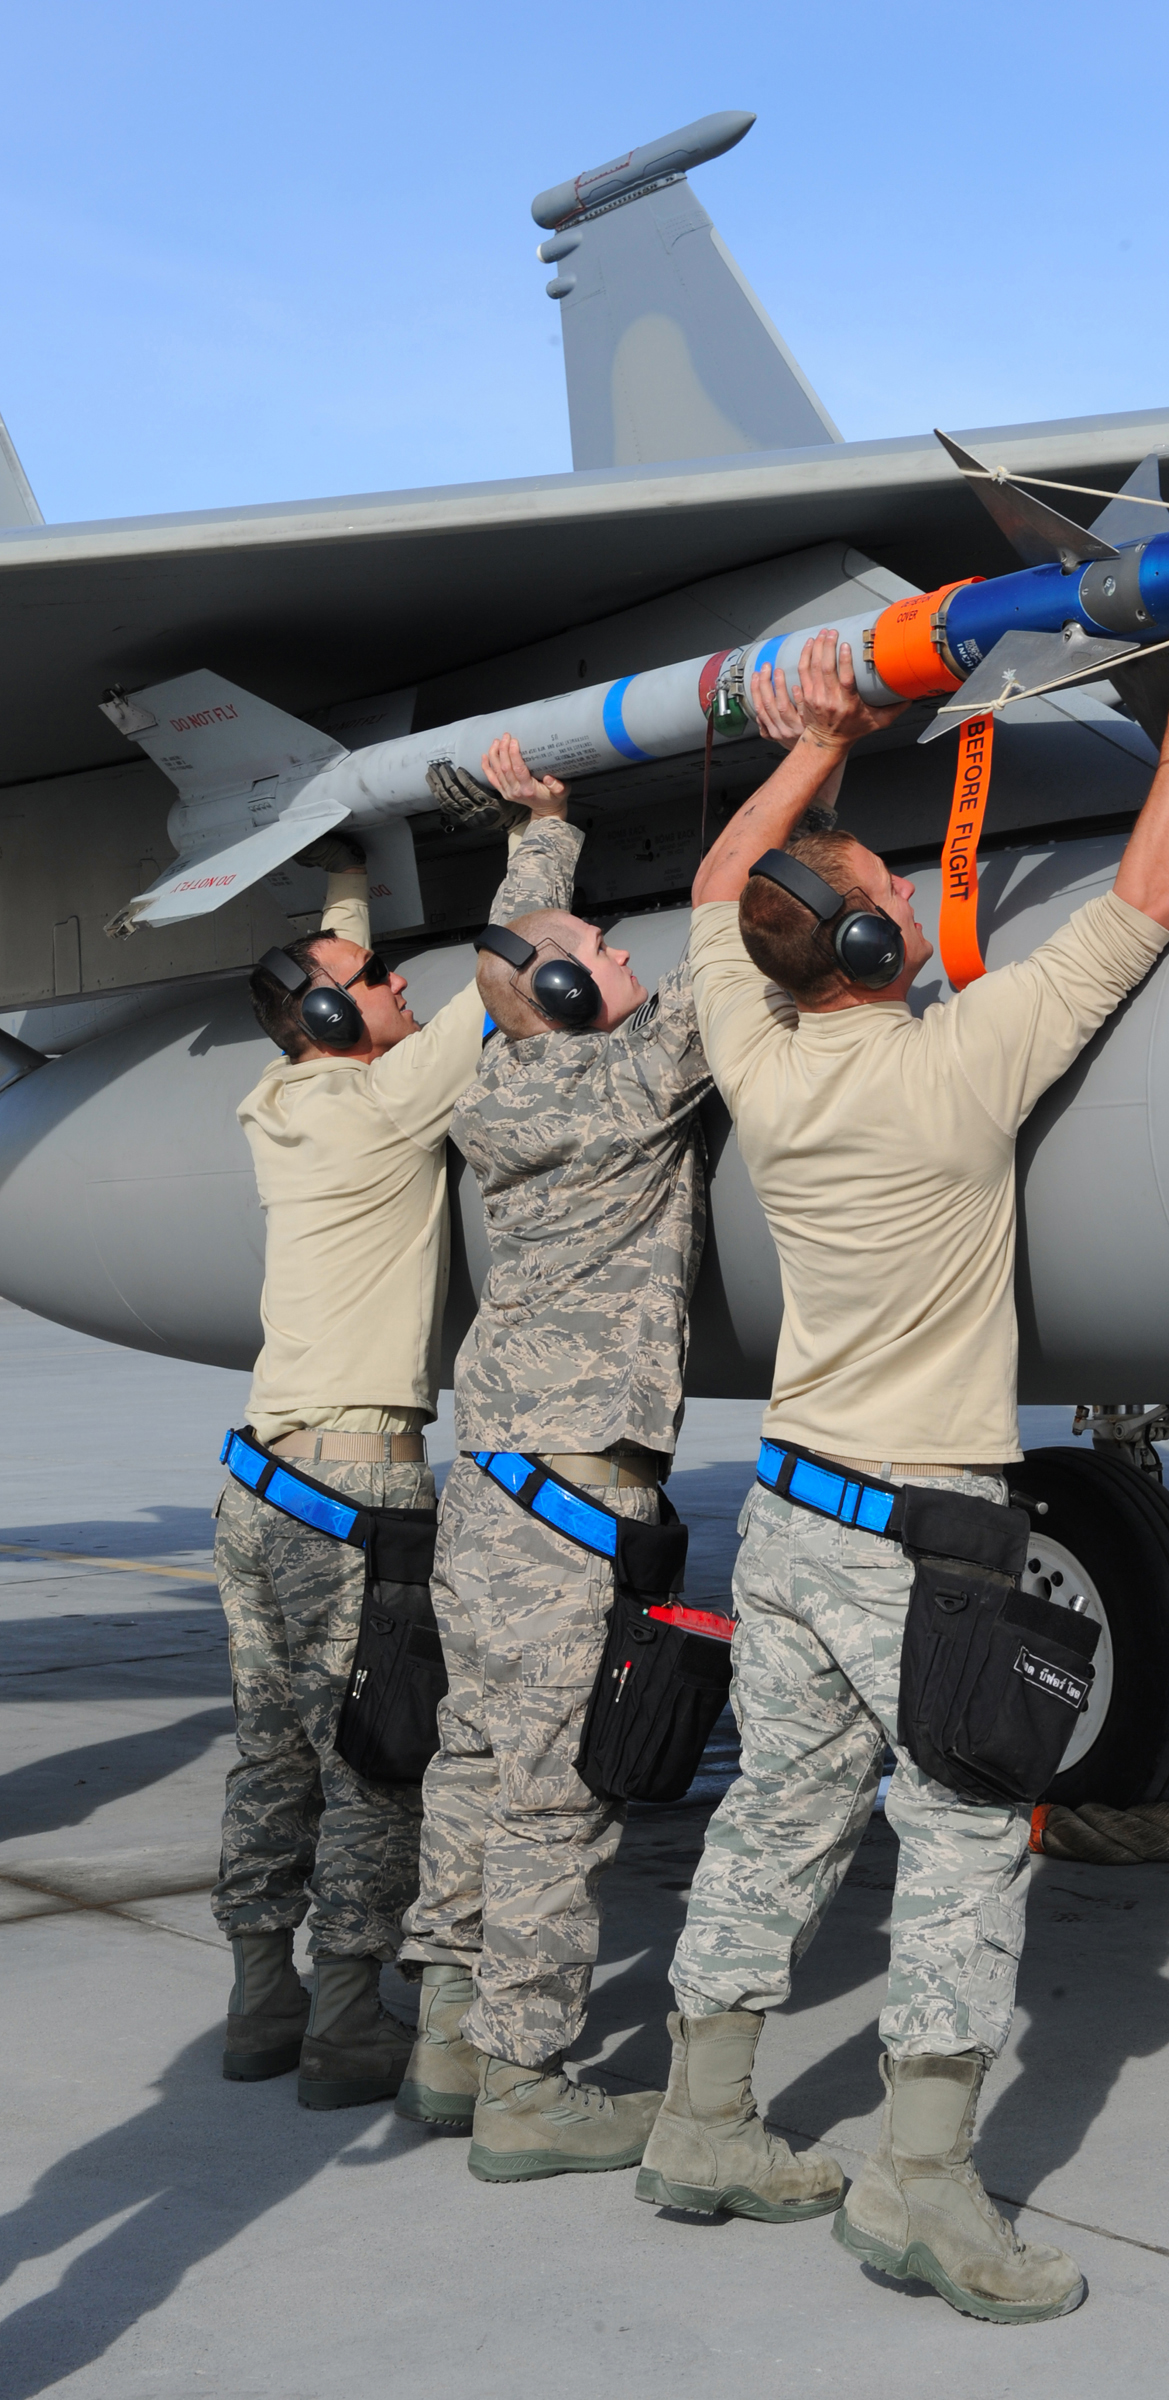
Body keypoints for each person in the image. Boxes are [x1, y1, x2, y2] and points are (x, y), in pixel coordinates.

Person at [636, 623, 1169, 2322]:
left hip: (790, 1514)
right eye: (881, 880)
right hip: (920, 1536)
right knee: (967, 1849)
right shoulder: (957, 1073)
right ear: (875, 936)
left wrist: (813, 745)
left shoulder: (760, 1058)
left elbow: (724, 875)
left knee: (773, 1823)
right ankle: (918, 2189)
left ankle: (700, 2126)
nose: (901, 882)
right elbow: (1156, 891)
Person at [213, 755, 568, 2109]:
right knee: (374, 1754)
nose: (395, 985)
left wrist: (348, 857)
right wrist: (540, 832)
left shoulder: (285, 1104)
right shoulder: (383, 1107)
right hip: (356, 1481)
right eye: (373, 988)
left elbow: (355, 969)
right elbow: (503, 973)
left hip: (257, 1480)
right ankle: (349, 2019)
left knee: (272, 1748)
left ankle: (261, 2000)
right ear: (326, 1014)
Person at [395, 765, 715, 2186]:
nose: (624, 953)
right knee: (551, 1796)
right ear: (575, 1001)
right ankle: (528, 2085)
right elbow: (748, 935)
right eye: (602, 953)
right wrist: (812, 748)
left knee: (472, 1765)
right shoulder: (632, 1082)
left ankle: (449, 2039)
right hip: (577, 1503)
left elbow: (521, 946)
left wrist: (542, 834)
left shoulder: (511, 1072)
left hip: (494, 1497)